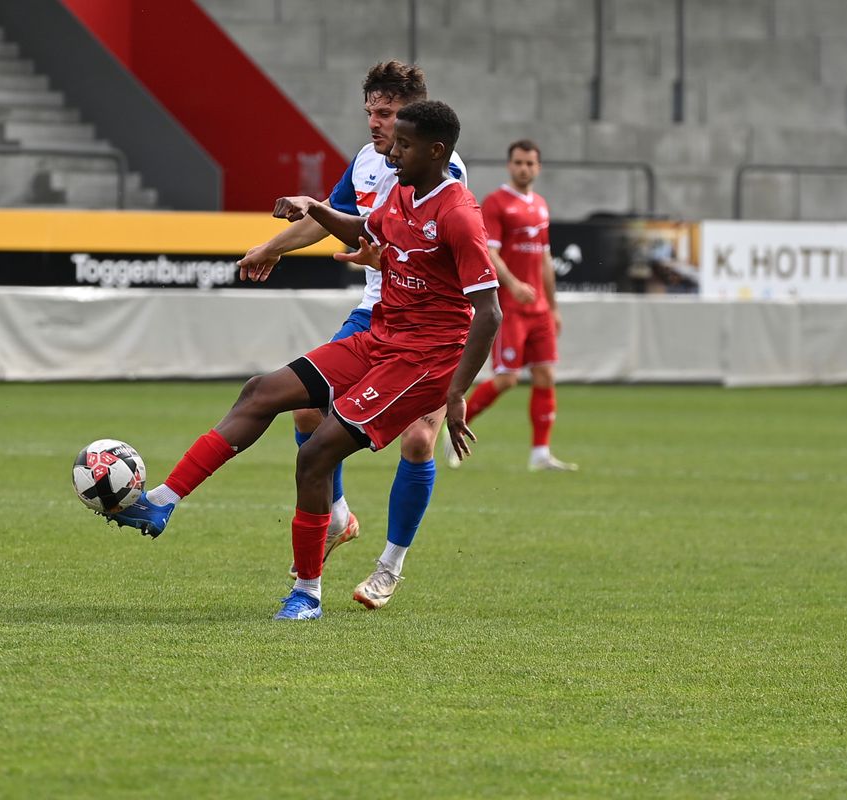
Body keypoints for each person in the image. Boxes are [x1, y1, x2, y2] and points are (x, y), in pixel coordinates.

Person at [104, 100, 502, 621]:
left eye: (403, 145)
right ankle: (161, 500)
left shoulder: (458, 213)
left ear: (436, 150)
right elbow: (365, 230)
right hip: (380, 336)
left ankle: (307, 594)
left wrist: (454, 393)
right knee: (261, 391)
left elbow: (488, 313)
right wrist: (315, 208)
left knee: (316, 454)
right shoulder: (405, 191)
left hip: (424, 362)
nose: (394, 152)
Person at [236, 60, 467, 608]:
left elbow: (429, 251)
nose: (373, 121)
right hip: (374, 313)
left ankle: (389, 567)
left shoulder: (443, 173)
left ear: (413, 121)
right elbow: (331, 216)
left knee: (416, 440)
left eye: (385, 112)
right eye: (370, 110)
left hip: (433, 325)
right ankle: (338, 518)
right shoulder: (366, 161)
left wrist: (381, 254)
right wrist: (272, 247)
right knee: (305, 412)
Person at [456, 140, 578, 472]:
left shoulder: (540, 205)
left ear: (538, 168)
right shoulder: (496, 203)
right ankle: (455, 421)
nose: (524, 168)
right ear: (509, 165)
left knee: (545, 375)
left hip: (538, 309)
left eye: (530, 163)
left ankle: (540, 453)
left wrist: (552, 306)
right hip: (509, 305)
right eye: (519, 162)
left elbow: (544, 260)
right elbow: (490, 252)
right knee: (507, 378)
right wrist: (513, 284)